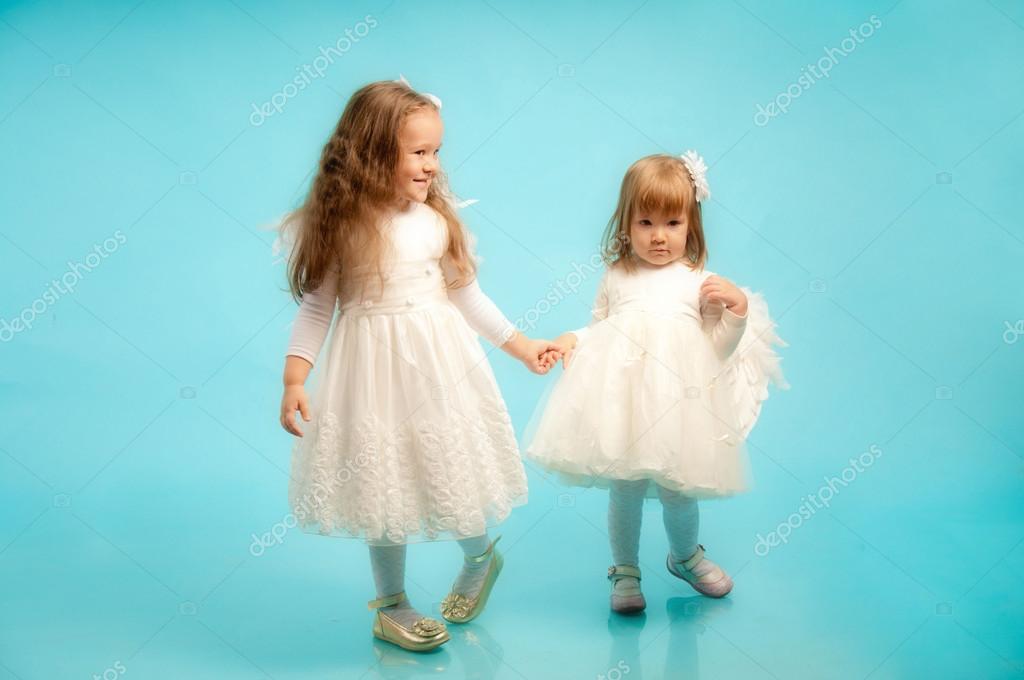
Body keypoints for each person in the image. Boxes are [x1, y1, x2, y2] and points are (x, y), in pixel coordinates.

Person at [277, 79, 558, 651]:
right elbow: (318, 307)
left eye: (436, 152)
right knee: (381, 479)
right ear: (374, 153)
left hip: (437, 365)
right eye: (419, 152)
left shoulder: (435, 220)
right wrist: (294, 378)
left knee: (449, 463)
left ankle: (479, 557)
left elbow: (467, 296)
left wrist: (522, 344)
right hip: (369, 373)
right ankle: (392, 605)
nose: (432, 165)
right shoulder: (341, 223)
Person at [526, 152, 788, 614]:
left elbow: (717, 348)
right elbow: (600, 330)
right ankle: (625, 570)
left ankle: (685, 557)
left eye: (672, 223)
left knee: (678, 488)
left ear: (692, 224)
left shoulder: (699, 282)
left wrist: (738, 310)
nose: (659, 235)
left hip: (677, 405)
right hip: (624, 404)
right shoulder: (617, 275)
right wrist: (571, 339)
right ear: (626, 224)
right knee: (624, 489)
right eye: (645, 222)